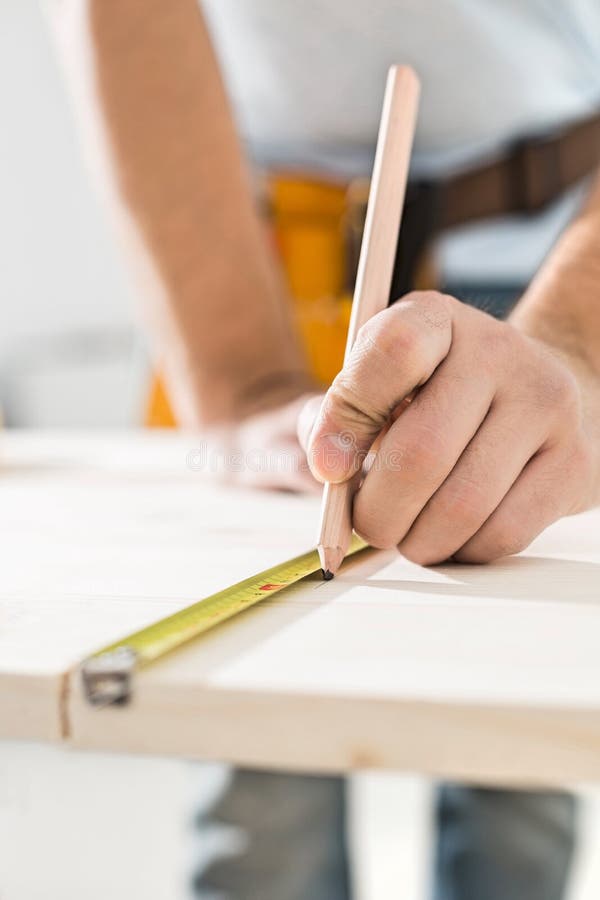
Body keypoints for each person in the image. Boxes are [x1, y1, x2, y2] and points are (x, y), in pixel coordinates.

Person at [48, 1, 600, 897]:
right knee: (263, 809)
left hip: (550, 246)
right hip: (256, 255)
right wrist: (243, 380)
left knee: (517, 786)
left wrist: (578, 347)